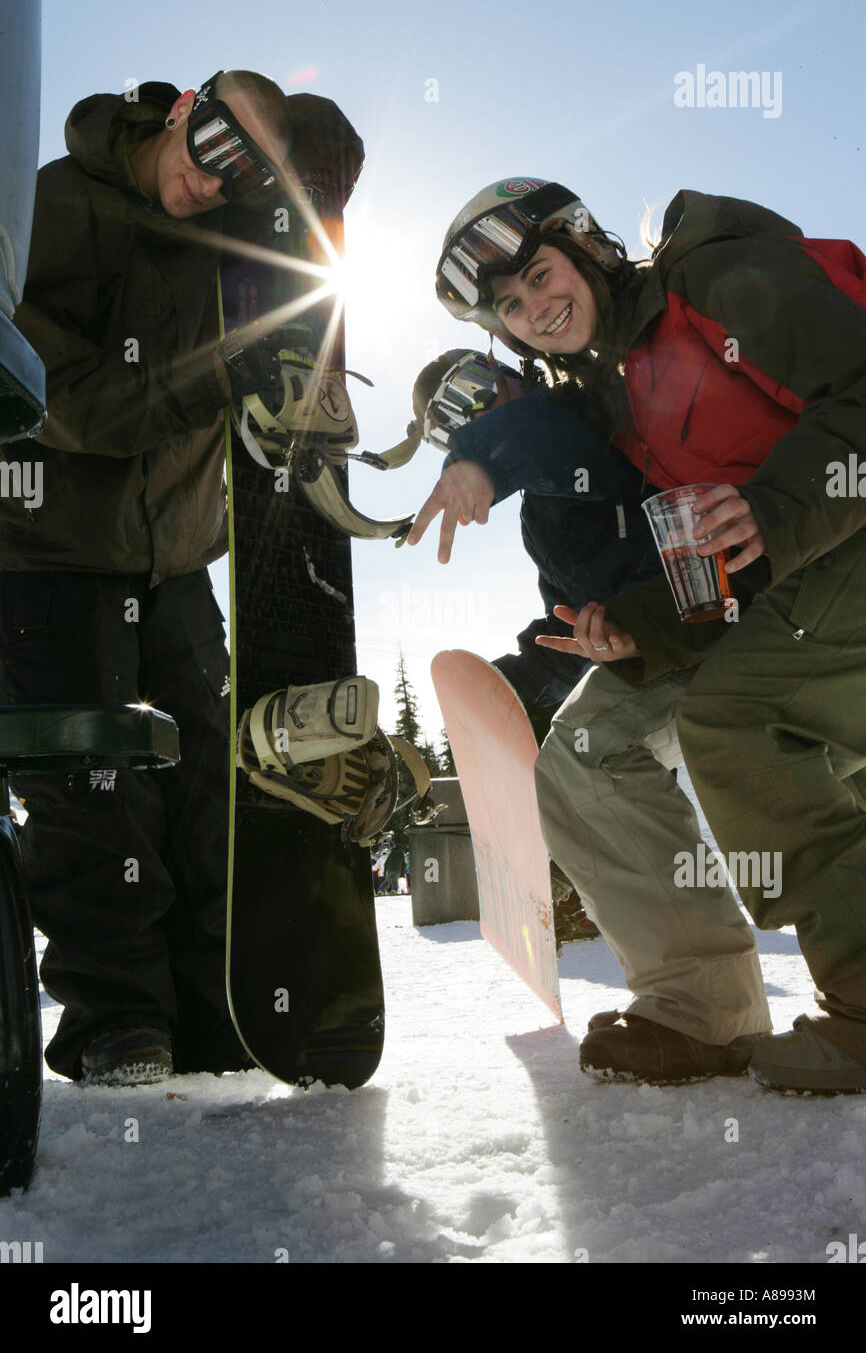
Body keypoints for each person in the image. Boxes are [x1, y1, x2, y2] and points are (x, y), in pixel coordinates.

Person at [416, 176, 866, 1093]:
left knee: (737, 718)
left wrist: (778, 512)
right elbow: (552, 443)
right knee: (582, 757)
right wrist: (627, 631)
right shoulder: (611, 391)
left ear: (584, 245)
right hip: (779, 589)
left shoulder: (712, 277)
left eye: (541, 276)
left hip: (837, 545)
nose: (534, 307)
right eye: (510, 305)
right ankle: (705, 1009)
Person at [2, 71, 356, 1085]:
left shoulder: (242, 225)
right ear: (181, 110)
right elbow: (67, 406)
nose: (213, 187)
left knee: (206, 788)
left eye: (244, 175)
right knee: (91, 791)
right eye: (212, 154)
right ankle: (118, 1025)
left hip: (179, 562)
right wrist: (221, 373)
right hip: (53, 556)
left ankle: (214, 1016)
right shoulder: (55, 205)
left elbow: (308, 210)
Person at [412, 346, 663, 942]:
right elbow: (569, 627)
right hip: (658, 658)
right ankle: (572, 892)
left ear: (507, 368)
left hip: (718, 621)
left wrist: (481, 456)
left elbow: (556, 432)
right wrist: (515, 682)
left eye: (474, 386)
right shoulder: (542, 524)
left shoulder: (589, 402)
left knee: (588, 753)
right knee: (572, 744)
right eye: (454, 419)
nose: (476, 414)